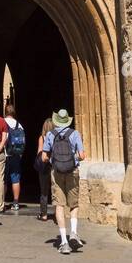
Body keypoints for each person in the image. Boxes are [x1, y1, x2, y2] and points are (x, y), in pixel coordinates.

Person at [41, 109, 86, 254]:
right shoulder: (75, 134)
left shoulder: (50, 134)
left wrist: (54, 160)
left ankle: (64, 242)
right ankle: (73, 232)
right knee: (74, 203)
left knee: (59, 204)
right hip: (72, 171)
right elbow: (82, 155)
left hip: (57, 171)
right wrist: (73, 159)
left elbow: (44, 157)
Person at [2, 101, 26, 213]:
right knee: (15, 179)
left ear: (5, 112)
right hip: (16, 155)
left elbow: (4, 138)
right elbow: (23, 141)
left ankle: (1, 202)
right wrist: (20, 153)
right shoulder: (19, 125)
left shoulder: (3, 122)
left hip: (5, 154)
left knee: (3, 180)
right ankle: (16, 203)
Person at [36, 116, 54, 221]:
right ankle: (58, 212)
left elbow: (39, 152)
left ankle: (44, 214)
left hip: (44, 167)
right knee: (56, 190)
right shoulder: (56, 137)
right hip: (54, 166)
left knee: (44, 191)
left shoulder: (42, 138)